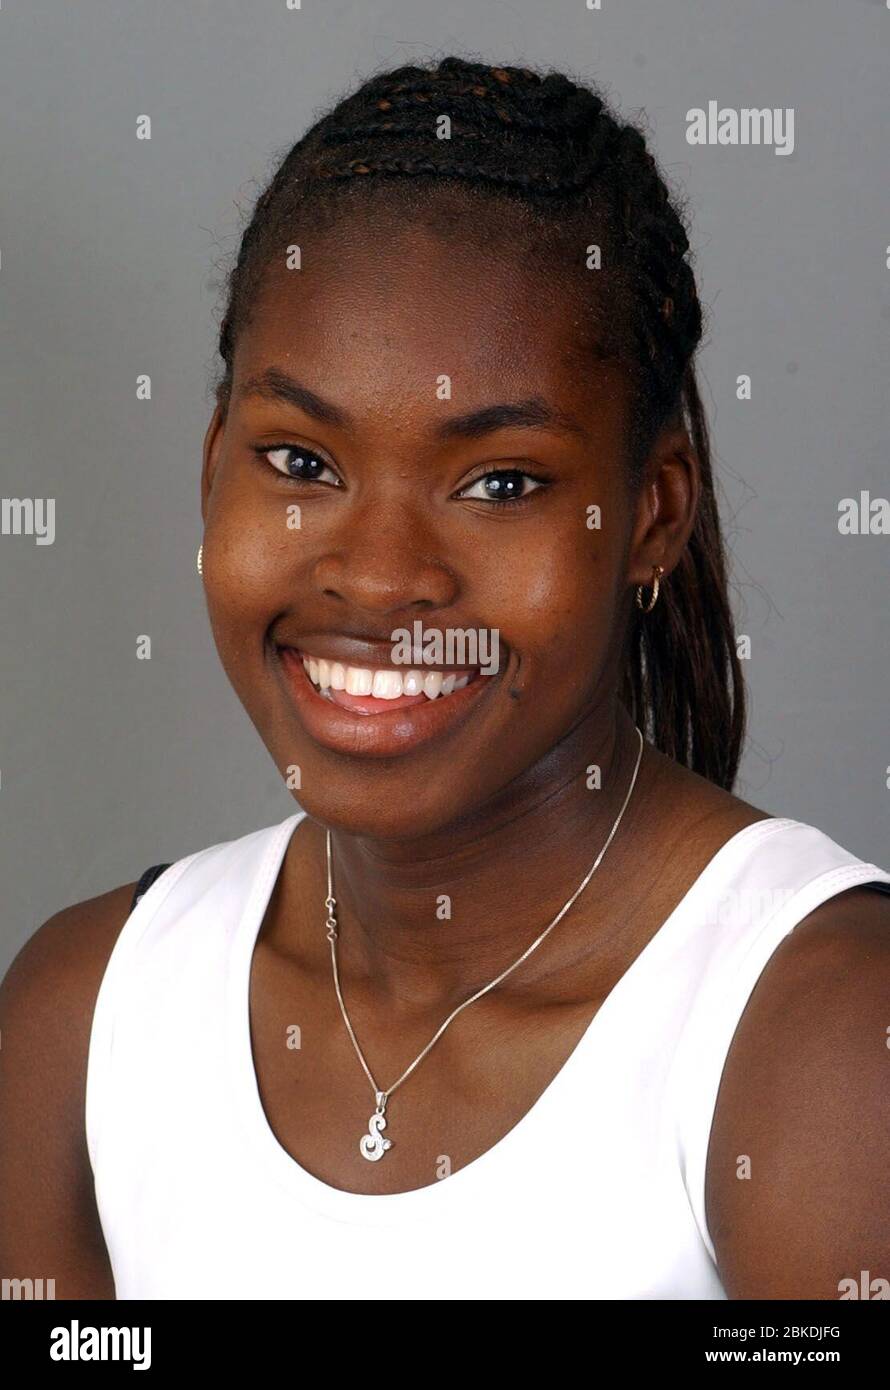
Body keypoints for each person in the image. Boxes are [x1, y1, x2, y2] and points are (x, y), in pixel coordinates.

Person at [2, 56, 889, 1301]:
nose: (375, 578)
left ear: (650, 513)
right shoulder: (82, 1019)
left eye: (501, 483)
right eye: (301, 461)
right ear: (214, 472)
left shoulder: (819, 1034)